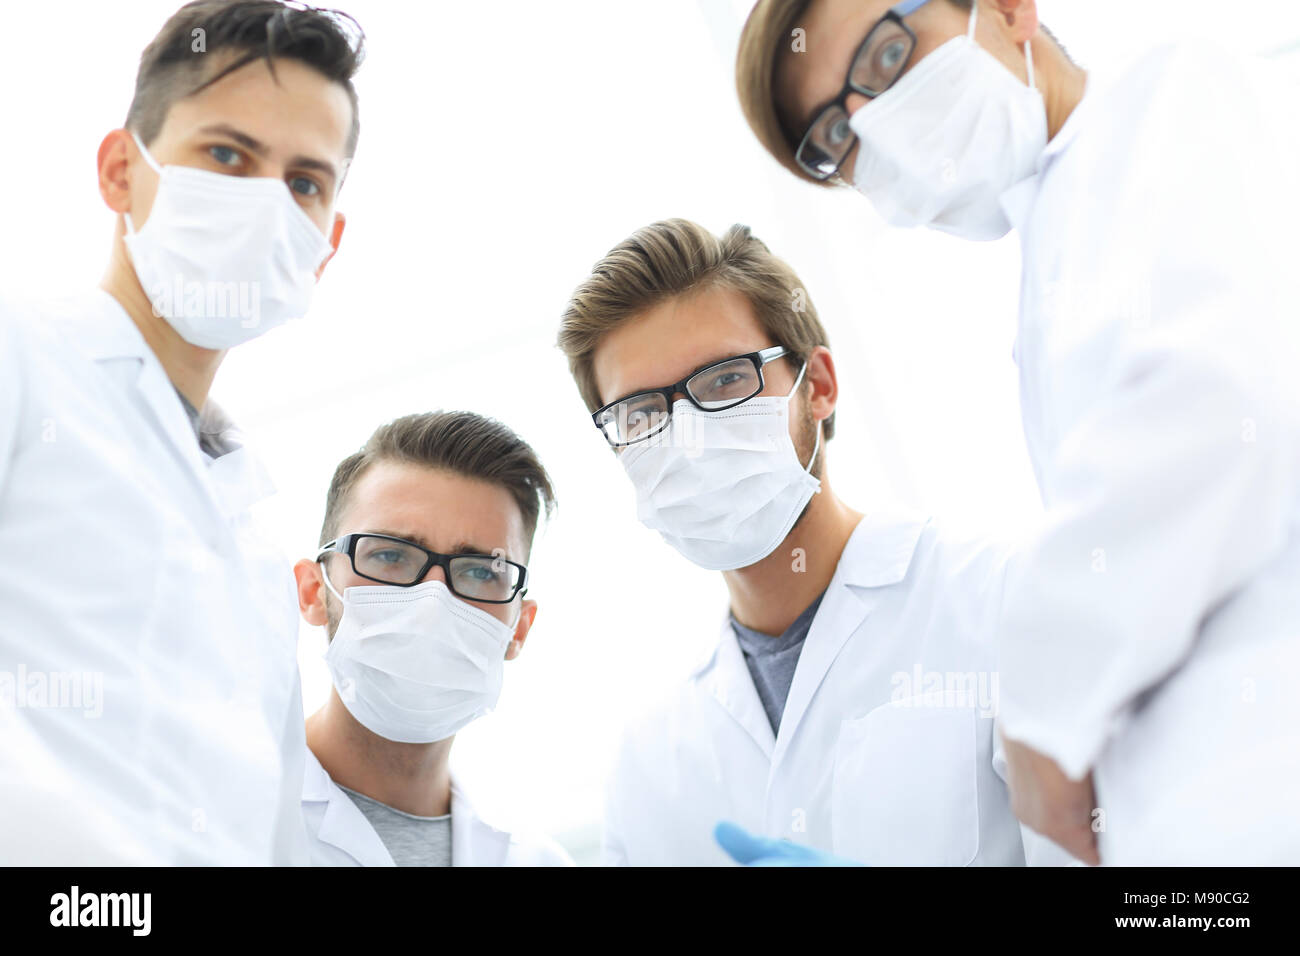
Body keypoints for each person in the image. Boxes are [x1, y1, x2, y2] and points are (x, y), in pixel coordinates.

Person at [736, 0, 1300, 863]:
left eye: (887, 57)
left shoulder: (1167, 94)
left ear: (1006, 10)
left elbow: (1218, 404)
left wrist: (1040, 700)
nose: (870, 133)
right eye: (831, 140)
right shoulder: (1059, 240)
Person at [558, 218, 1067, 866]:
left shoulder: (1000, 601)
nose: (684, 435)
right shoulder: (648, 764)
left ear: (817, 387)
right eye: (642, 414)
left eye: (723, 381)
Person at [0, 0, 362, 864]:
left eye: (304, 182)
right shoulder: (21, 360)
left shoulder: (250, 527)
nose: (264, 204)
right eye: (227, 155)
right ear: (122, 170)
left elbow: (267, 831)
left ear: (327, 242)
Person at [293, 412, 574, 867]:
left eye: (482, 571)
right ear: (312, 591)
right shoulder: (212, 807)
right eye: (389, 555)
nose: (432, 602)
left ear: (518, 628)